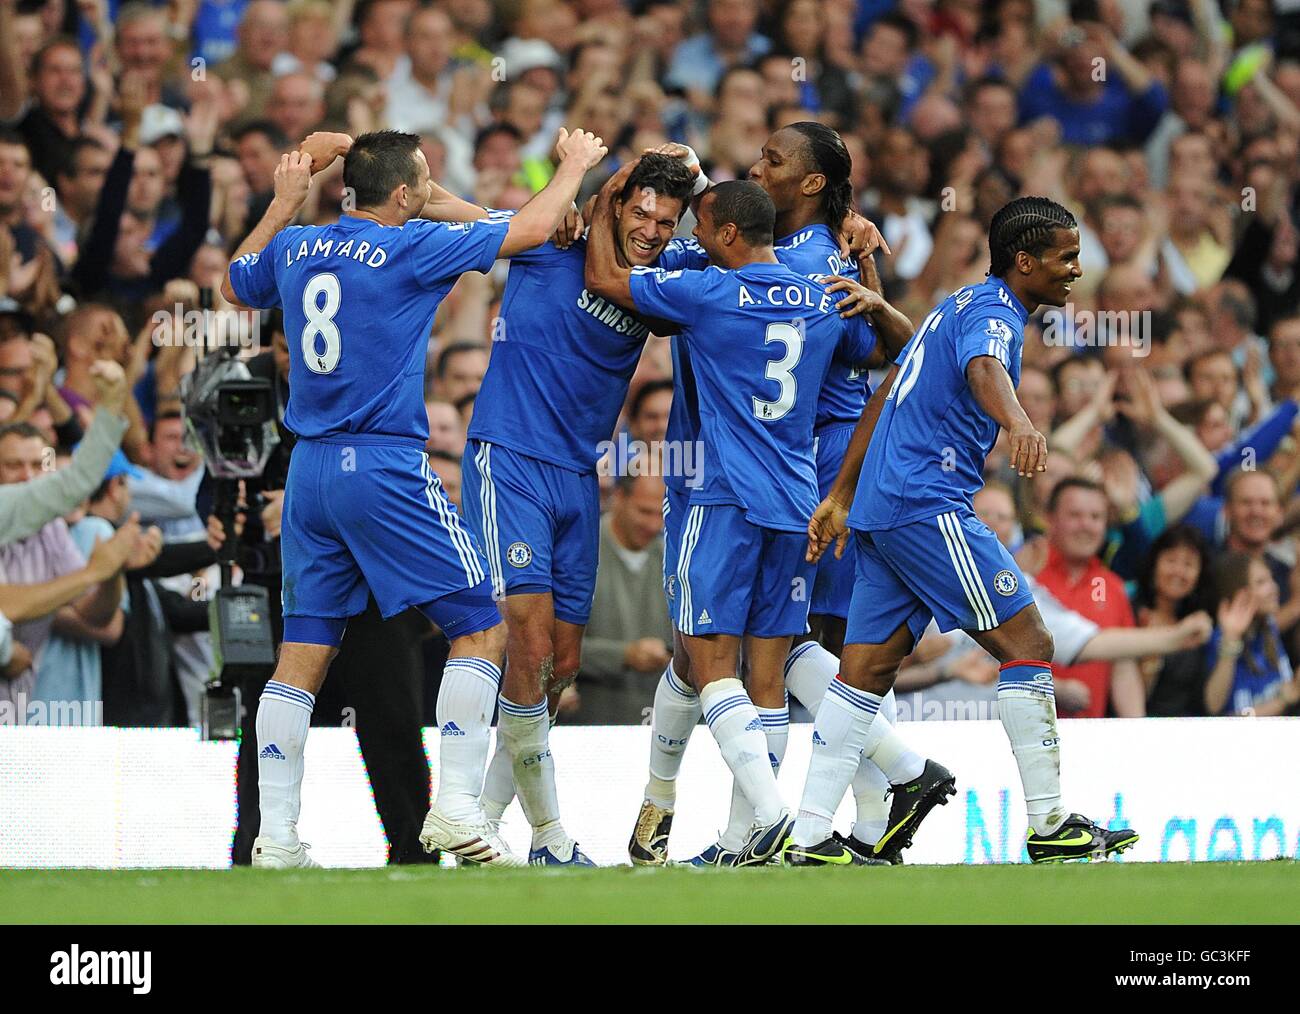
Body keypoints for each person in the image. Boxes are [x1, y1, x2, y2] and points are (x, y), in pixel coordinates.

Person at [220, 125, 608, 868]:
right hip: (383, 465)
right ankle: (457, 816)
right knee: (480, 628)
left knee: (300, 655)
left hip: (306, 472)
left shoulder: (299, 247)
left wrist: (283, 201)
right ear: (404, 195)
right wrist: (575, 166)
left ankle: (275, 841)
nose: (429, 196)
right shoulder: (410, 249)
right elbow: (526, 230)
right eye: (423, 186)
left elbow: (233, 281)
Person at [796, 196, 1139, 866]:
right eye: (1065, 257)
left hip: (882, 509)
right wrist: (1017, 422)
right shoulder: (992, 314)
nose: (1075, 270)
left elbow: (889, 392)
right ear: (1024, 260)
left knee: (862, 673)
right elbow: (986, 369)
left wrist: (842, 494)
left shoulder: (953, 305)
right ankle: (1049, 826)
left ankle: (810, 836)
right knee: (1029, 639)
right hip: (927, 504)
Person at [627, 127, 927, 868]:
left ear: (814, 185)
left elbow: (670, 256)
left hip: (759, 472)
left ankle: (869, 787)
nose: (756, 167)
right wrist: (859, 259)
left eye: (773, 161)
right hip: (795, 477)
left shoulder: (778, 264)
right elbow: (875, 348)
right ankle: (746, 829)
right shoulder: (822, 257)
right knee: (765, 650)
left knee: (738, 652)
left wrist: (625, 200)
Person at [436, 152, 694, 865]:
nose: (649, 228)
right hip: (509, 457)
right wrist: (575, 176)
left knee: (563, 664)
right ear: (615, 202)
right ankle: (544, 834)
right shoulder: (550, 239)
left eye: (664, 222)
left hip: (580, 477)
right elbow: (453, 208)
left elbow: (734, 233)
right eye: (638, 211)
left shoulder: (656, 284)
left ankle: (483, 822)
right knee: (528, 644)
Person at [572, 472, 672, 724]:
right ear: (618, 497)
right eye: (645, 512)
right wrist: (623, 655)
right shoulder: (577, 553)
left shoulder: (671, 561)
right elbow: (548, 646)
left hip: (657, 727)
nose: (654, 525)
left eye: (661, 514)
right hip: (589, 727)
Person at [1204, 551, 1299, 716]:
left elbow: (1285, 685)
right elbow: (1219, 714)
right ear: (1237, 592)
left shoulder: (1268, 626)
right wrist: (1281, 701)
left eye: (1271, 579)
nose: (1274, 588)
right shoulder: (1220, 639)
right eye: (1261, 582)